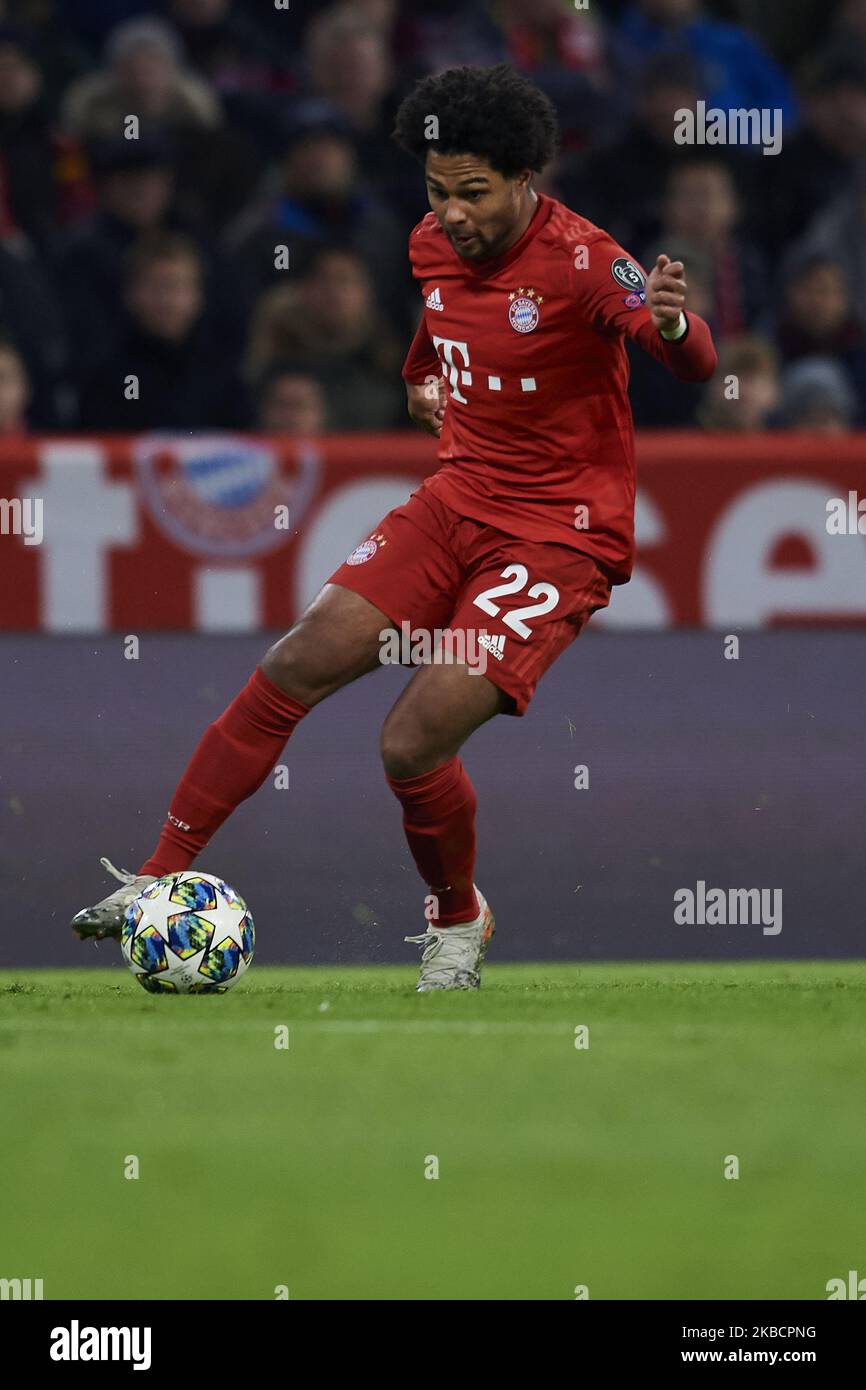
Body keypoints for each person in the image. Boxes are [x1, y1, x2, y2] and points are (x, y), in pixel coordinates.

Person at [71, 64, 717, 990]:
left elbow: (684, 359)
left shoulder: (582, 259)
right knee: (296, 661)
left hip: (559, 537)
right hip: (456, 501)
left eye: (473, 193)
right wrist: (420, 376)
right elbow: (439, 325)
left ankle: (458, 921)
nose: (451, 212)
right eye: (436, 189)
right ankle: (158, 877)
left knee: (410, 741)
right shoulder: (426, 243)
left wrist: (677, 324)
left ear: (525, 179)